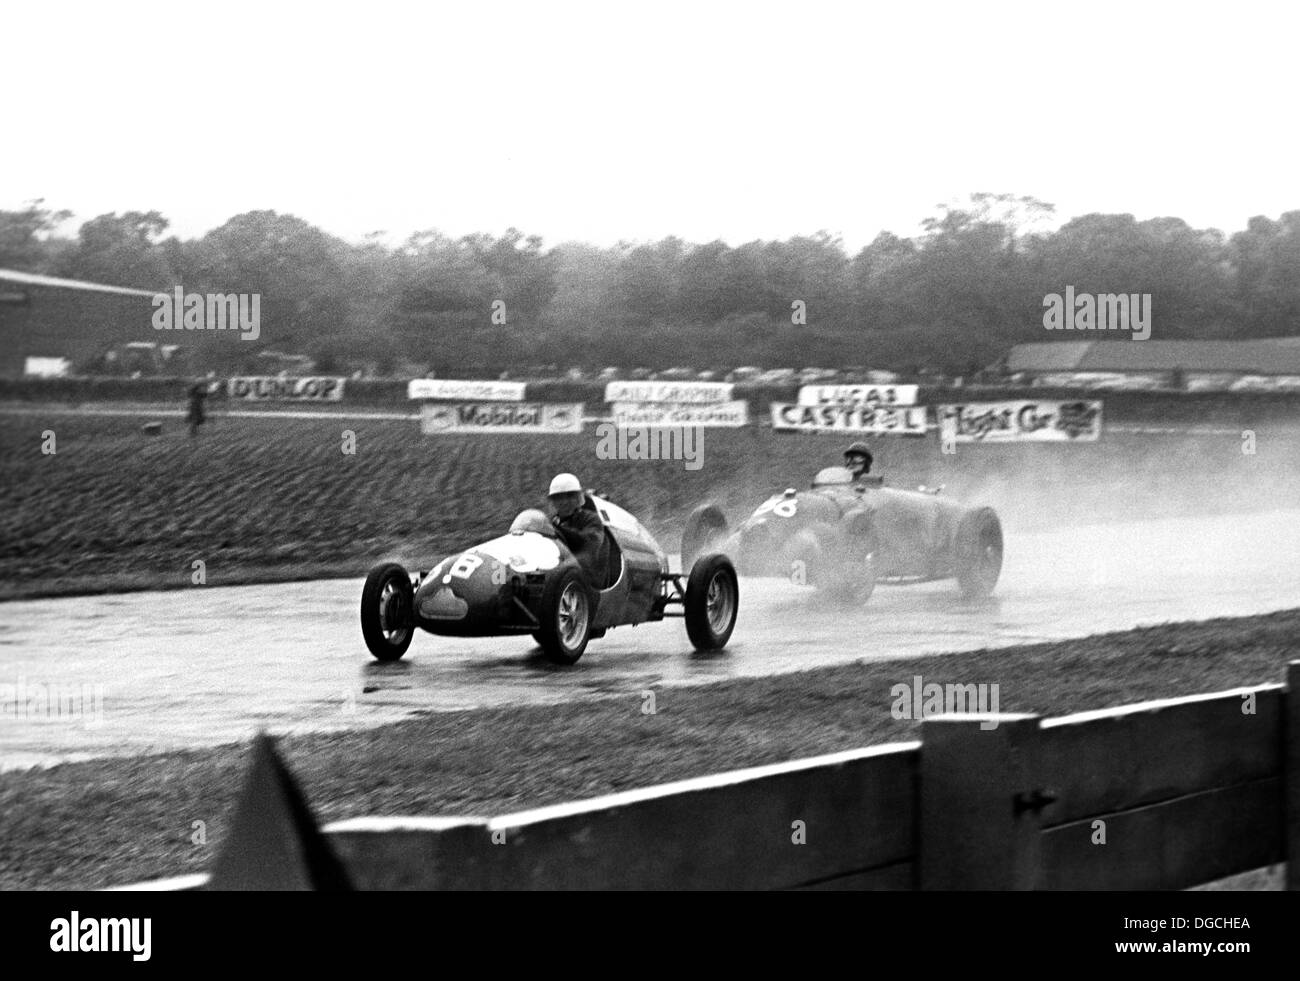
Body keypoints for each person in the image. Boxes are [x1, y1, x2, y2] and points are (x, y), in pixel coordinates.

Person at [547, 473, 607, 583]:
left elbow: (589, 542)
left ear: (577, 498)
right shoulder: (551, 523)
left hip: (586, 579)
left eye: (569, 496)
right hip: (557, 575)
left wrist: (559, 531)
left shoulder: (591, 519)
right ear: (553, 501)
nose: (564, 502)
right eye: (558, 497)